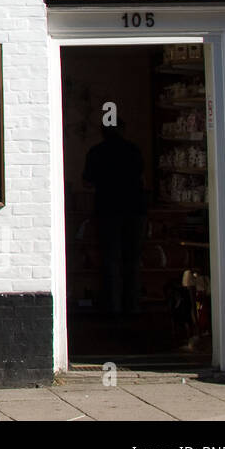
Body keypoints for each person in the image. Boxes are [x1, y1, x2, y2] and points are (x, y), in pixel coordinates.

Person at [82, 123, 148, 315]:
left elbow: (87, 181)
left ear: (103, 132)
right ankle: (133, 305)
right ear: (123, 130)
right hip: (134, 208)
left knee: (111, 258)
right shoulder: (133, 150)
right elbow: (142, 177)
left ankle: (113, 307)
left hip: (108, 208)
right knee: (133, 259)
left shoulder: (96, 152)